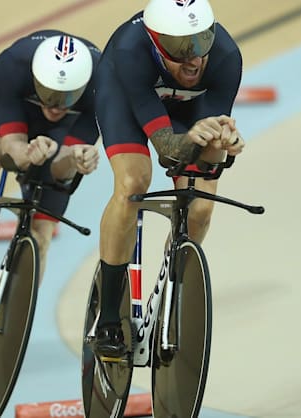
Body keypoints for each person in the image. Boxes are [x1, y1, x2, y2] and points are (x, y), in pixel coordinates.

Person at [92, 0, 246, 359]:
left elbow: (209, 139)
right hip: (128, 102)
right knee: (133, 185)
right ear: (156, 40)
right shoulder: (130, 50)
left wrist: (225, 140)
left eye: (201, 42)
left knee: (200, 209)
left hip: (189, 110)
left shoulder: (225, 57)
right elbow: (167, 149)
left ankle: (170, 292)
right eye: (180, 48)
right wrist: (193, 140)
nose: (193, 58)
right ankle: (110, 313)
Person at [0, 31, 102, 290]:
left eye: (66, 96)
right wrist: (29, 154)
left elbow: (60, 171)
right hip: (15, 102)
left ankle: (13, 313)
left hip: (68, 124)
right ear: (36, 77)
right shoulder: (14, 64)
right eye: (49, 94)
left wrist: (75, 158)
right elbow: (12, 147)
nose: (56, 106)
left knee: (41, 237)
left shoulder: (101, 87)